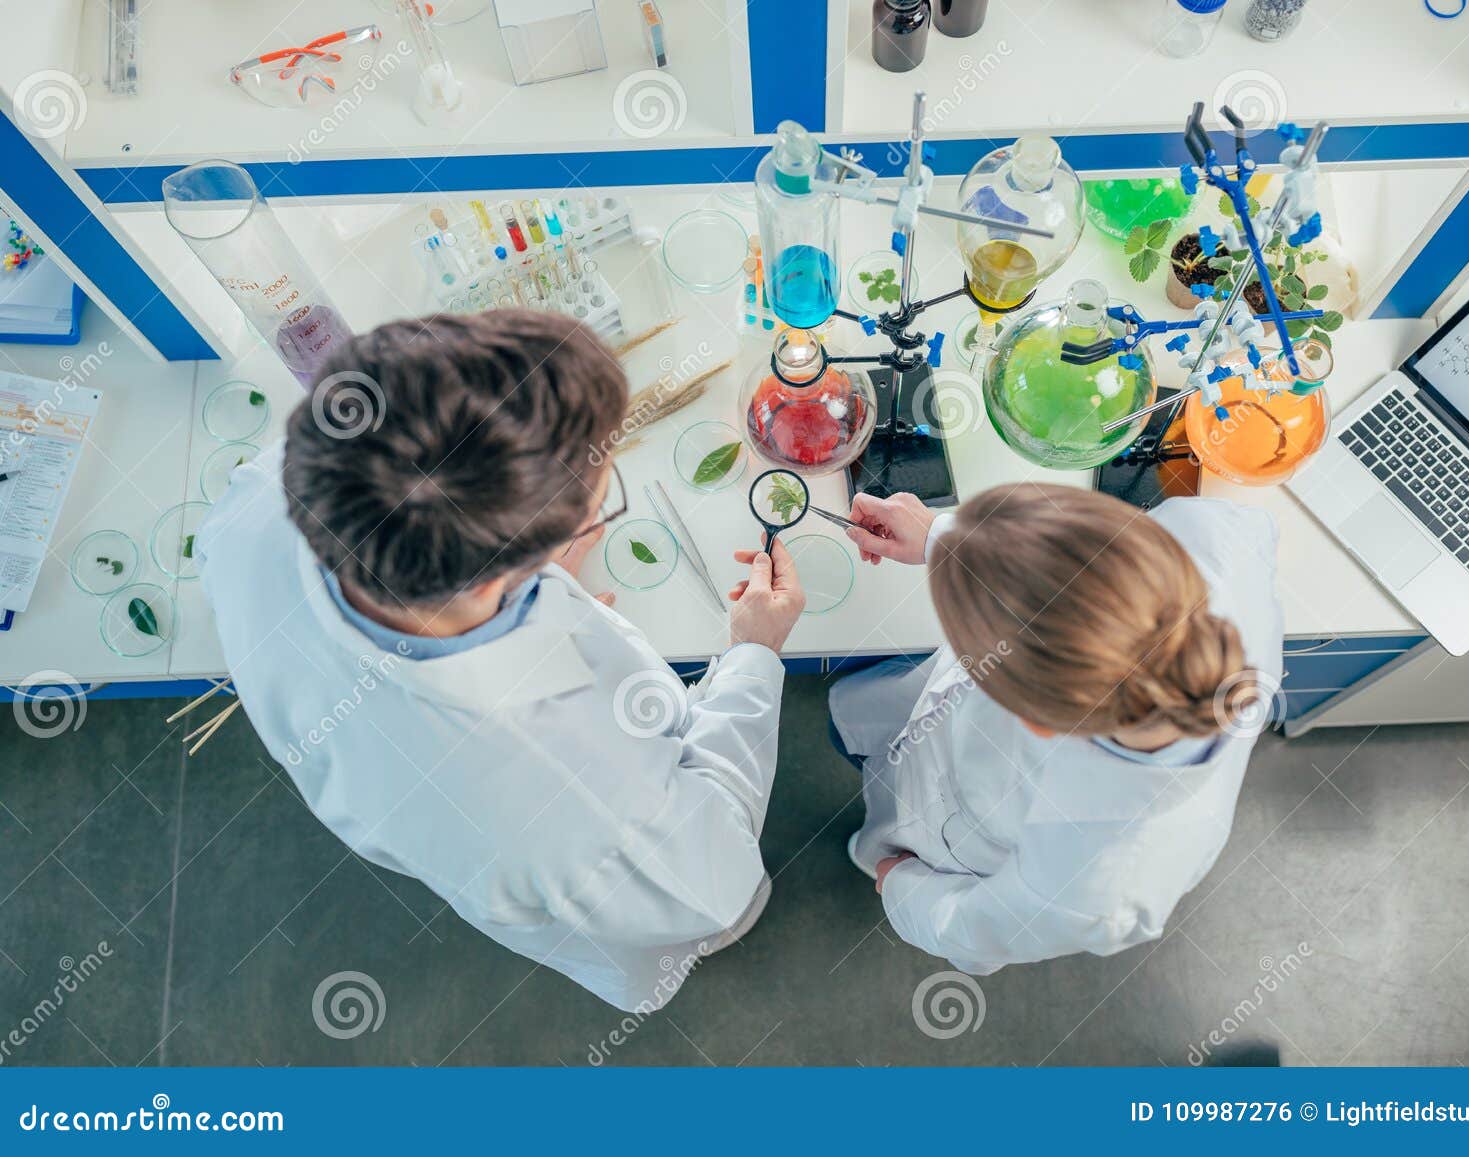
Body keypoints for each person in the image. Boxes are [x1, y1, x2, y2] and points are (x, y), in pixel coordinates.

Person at [197, 311, 804, 1013]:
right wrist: (754, 655)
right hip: (641, 892)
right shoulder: (565, 801)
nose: (594, 515)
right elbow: (711, 880)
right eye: (596, 499)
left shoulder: (262, 502)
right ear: (498, 572)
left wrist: (532, 572)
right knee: (715, 916)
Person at [829, 485, 1283, 976]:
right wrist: (941, 536)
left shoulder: (1101, 887)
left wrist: (903, 886)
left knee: (884, 807)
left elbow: (971, 924)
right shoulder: (1213, 541)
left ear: (1032, 723)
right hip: (942, 736)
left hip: (956, 835)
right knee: (873, 726)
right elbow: (1065, 568)